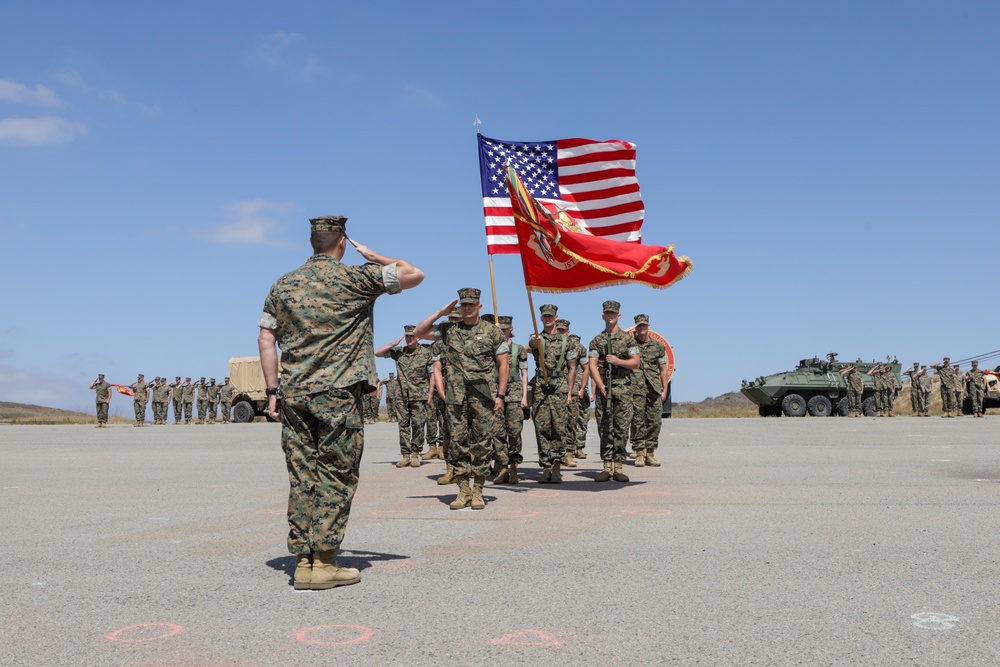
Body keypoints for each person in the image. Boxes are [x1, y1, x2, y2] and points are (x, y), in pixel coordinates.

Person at [258, 215, 423, 590]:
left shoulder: (283, 284)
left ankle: (303, 561)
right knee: (336, 473)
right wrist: (373, 255)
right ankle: (326, 562)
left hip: (295, 394)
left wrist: (272, 392)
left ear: (311, 243)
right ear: (342, 243)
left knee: (303, 476)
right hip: (338, 393)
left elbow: (266, 339)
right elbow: (414, 273)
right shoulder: (356, 278)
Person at [414, 288, 508, 510]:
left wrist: (501, 395)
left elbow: (503, 365)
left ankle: (478, 491)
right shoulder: (449, 330)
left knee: (483, 444)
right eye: (463, 305)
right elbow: (419, 332)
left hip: (483, 397)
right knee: (457, 445)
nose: (467, 308)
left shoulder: (493, 332)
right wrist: (441, 312)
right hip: (456, 398)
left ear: (479, 307)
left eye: (471, 305)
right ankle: (463, 490)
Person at [588, 300, 640, 482]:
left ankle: (618, 466)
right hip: (605, 389)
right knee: (604, 427)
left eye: (613, 313)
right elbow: (592, 365)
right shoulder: (597, 341)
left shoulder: (628, 339)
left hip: (623, 388)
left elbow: (636, 362)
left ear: (619, 316)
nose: (610, 316)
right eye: (607, 313)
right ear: (603, 316)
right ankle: (606, 466)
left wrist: (619, 361)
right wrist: (600, 385)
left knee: (621, 427)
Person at [527, 304, 577, 483]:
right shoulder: (537, 338)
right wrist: (536, 342)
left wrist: (570, 392)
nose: (548, 319)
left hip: (560, 388)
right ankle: (546, 467)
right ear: (541, 318)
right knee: (542, 427)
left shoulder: (567, 341)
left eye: (551, 316)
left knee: (559, 427)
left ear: (556, 317)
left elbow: (572, 368)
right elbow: (531, 345)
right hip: (541, 387)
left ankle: (556, 465)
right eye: (545, 316)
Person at [375, 325, 434, 468]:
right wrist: (393, 344)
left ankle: (415, 454)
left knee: (419, 425)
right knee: (403, 426)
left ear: (418, 338)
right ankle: (405, 455)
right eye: (407, 336)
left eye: (411, 336)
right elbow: (377, 353)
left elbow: (432, 374)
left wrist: (431, 392)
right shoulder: (399, 352)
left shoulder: (426, 353)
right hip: (401, 396)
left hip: (419, 396)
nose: (408, 339)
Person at [629, 314, 669, 468]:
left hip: (654, 389)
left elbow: (663, 369)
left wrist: (664, 389)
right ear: (636, 328)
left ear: (649, 327)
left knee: (654, 422)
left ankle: (650, 453)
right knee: (637, 421)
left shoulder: (658, 347)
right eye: (639, 326)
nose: (642, 328)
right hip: (636, 388)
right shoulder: (630, 346)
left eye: (644, 325)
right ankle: (639, 453)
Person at [492, 315, 528, 484]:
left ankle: (514, 465)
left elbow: (524, 373)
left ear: (510, 329)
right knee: (498, 432)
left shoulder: (518, 349)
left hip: (514, 393)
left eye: (505, 329)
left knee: (514, 430)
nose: (503, 331)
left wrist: (524, 396)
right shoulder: (491, 348)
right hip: (495, 392)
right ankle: (502, 466)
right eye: (500, 329)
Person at [428, 309, 463, 480]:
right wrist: (441, 391)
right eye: (451, 319)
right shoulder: (439, 345)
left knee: (472, 433)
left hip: (469, 392)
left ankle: (471, 468)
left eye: (457, 319)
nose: (453, 322)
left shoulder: (469, 338)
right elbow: (437, 369)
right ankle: (450, 469)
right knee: (448, 432)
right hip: (448, 393)